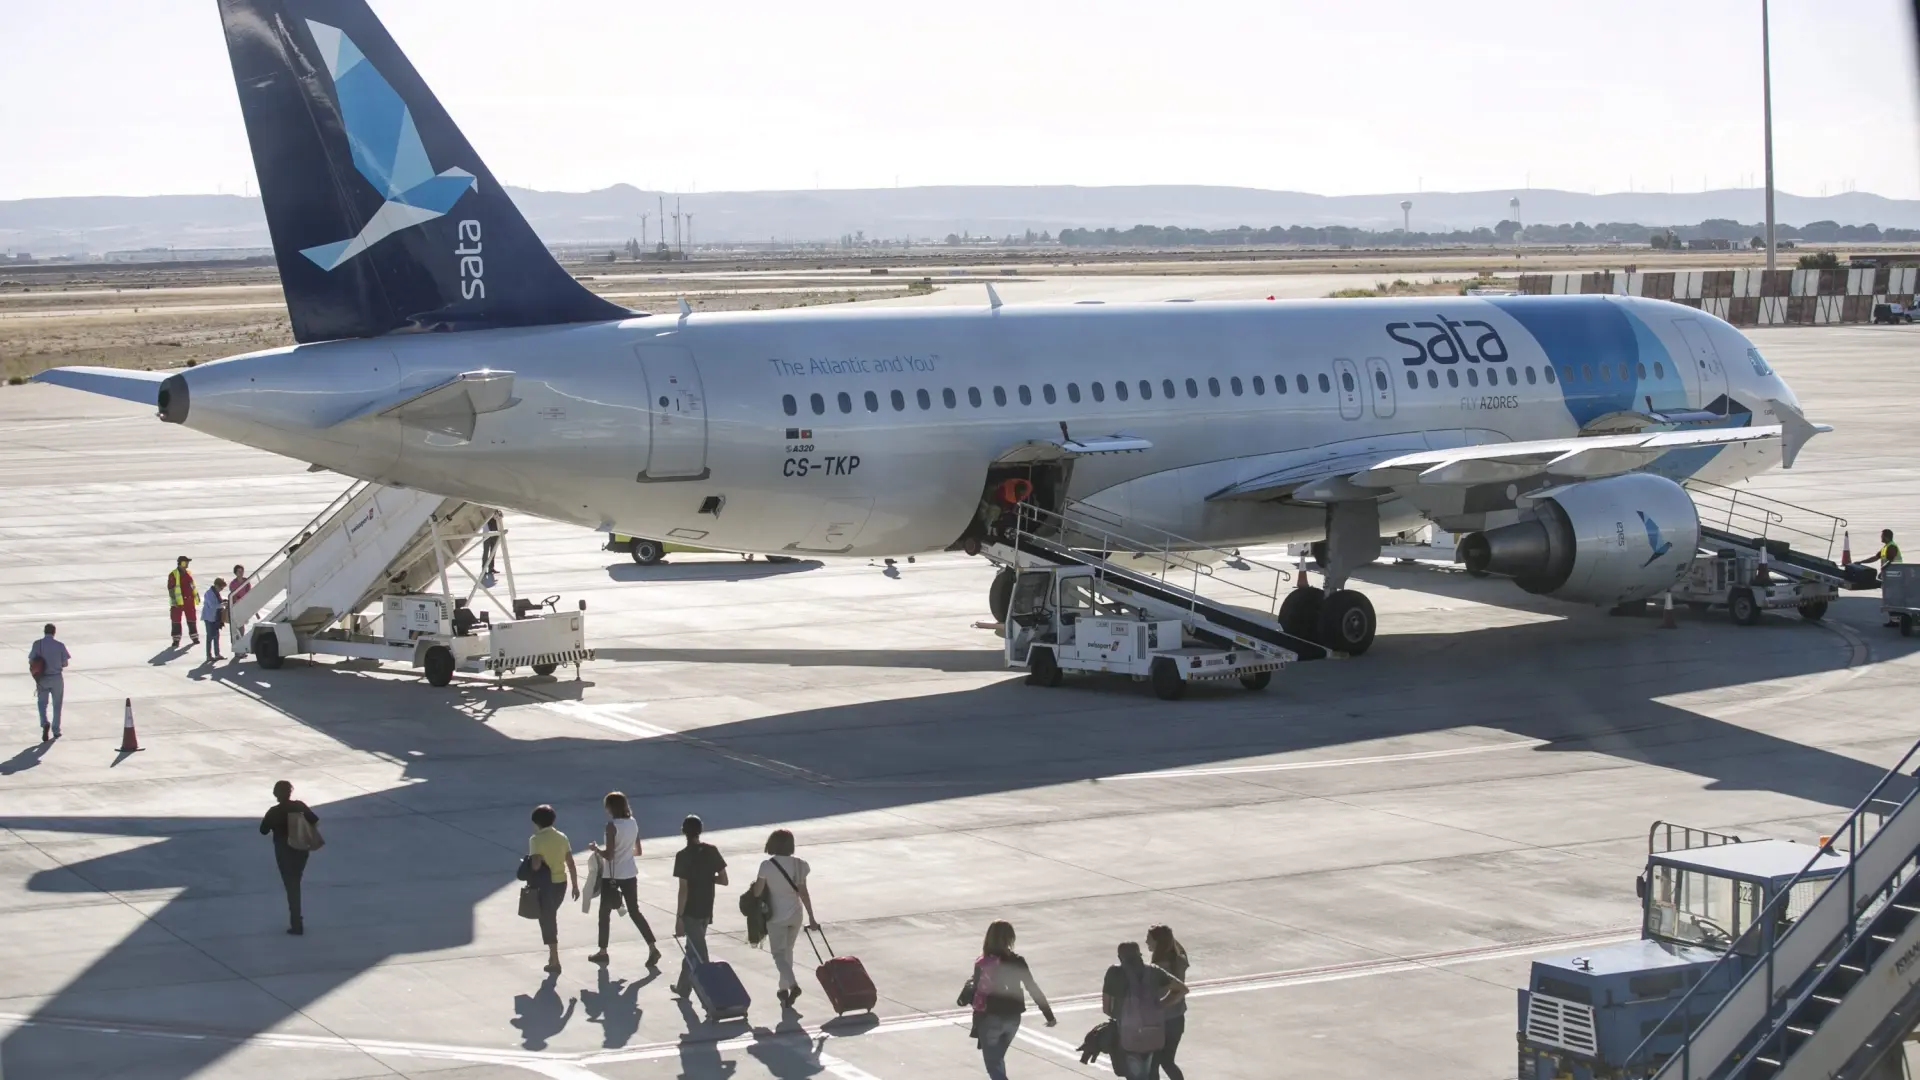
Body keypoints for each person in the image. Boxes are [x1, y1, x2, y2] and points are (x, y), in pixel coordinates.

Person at [969, 920, 1056, 1080]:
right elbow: (1032, 987)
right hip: (1012, 1019)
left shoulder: (983, 963)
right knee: (998, 1063)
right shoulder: (1018, 961)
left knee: (994, 1068)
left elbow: (977, 992)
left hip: (990, 1018)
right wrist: (1048, 1014)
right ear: (1010, 938)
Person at [585, 791, 661, 970]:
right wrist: (625, 853)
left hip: (612, 876)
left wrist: (595, 849)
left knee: (604, 914)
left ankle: (603, 951)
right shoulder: (633, 823)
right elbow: (638, 850)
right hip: (630, 873)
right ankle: (652, 946)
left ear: (611, 807)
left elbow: (609, 856)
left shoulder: (611, 826)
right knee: (635, 912)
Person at [751, 828, 820, 1006]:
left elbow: (758, 892)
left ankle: (793, 985)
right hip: (796, 914)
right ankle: (783, 990)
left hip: (776, 916)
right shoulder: (800, 865)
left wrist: (757, 886)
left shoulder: (766, 866)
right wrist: (811, 917)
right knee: (788, 950)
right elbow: (804, 893)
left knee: (778, 954)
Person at [1101, 940, 1186, 1080]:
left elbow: (1106, 1008)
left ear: (1120, 957)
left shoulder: (1114, 972)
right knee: (1153, 1072)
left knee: (1133, 1074)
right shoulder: (1154, 971)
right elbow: (1182, 989)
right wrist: (1160, 1006)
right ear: (1139, 954)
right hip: (1154, 1032)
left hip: (1127, 1034)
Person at [670, 814, 728, 1000]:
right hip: (706, 908)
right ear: (700, 830)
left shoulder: (682, 856)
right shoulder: (712, 851)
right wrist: (707, 878)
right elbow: (724, 880)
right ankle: (682, 989)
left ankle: (711, 994)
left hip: (691, 912)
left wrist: (679, 919)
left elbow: (683, 890)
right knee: (693, 949)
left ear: (683, 832)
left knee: (700, 955)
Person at [259, 780, 320, 935]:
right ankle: (296, 921)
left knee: (291, 886)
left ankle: (296, 923)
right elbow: (314, 819)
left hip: (283, 851)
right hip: (300, 849)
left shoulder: (273, 811)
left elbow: (263, 830)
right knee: (295, 881)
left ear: (275, 794)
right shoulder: (299, 805)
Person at [527, 804, 580, 974]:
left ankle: (555, 959)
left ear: (536, 823)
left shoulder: (535, 840)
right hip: (561, 883)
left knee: (547, 919)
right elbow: (570, 863)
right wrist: (575, 885)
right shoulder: (562, 837)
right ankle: (552, 956)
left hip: (545, 884)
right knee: (549, 916)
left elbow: (535, 866)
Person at [1145, 926, 1190, 1080]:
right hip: (1177, 1019)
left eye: (1149, 939)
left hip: (1160, 1021)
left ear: (1158, 942)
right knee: (1168, 1061)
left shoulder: (1159, 968)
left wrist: (1160, 1006)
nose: (1146, 942)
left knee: (1153, 1063)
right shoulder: (1179, 959)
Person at [28, 623, 70, 742]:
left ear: (44, 632)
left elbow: (31, 661)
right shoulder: (60, 645)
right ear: (54, 632)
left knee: (42, 703)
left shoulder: (37, 644)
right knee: (57, 705)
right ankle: (56, 730)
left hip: (42, 678)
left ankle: (44, 722)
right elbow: (65, 663)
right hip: (56, 678)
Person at [167, 555, 198, 649]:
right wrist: (174, 601)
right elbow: (171, 589)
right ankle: (176, 640)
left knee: (192, 618)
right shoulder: (173, 574)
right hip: (178, 602)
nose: (187, 564)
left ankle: (194, 637)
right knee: (176, 620)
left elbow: (192, 586)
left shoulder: (188, 573)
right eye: (186, 562)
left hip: (189, 600)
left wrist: (196, 596)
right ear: (182, 563)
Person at [200, 578, 227, 662]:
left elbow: (217, 603)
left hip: (215, 618)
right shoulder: (209, 594)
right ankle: (209, 655)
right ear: (216, 585)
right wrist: (222, 604)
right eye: (221, 588)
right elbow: (213, 606)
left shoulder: (216, 593)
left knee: (216, 636)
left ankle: (217, 654)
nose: (221, 590)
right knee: (210, 636)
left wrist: (223, 602)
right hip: (209, 618)